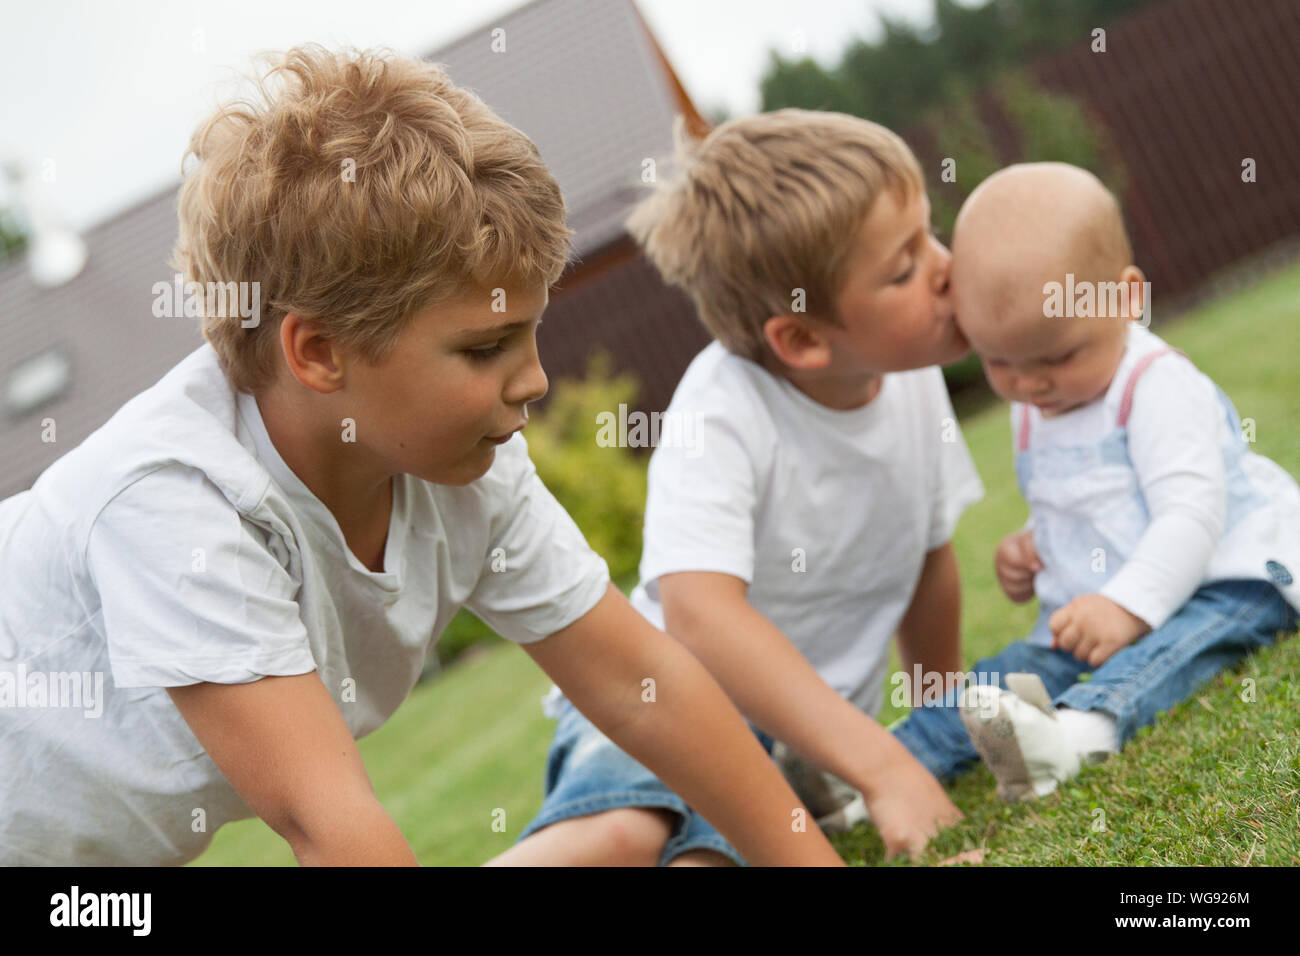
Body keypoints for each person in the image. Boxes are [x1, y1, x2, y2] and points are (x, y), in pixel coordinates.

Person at [0, 45, 844, 867]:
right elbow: (327, 822)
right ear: (320, 352)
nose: (536, 380)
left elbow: (639, 682)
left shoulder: (466, 471)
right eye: (486, 349)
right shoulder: (176, 501)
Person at [493, 109, 983, 867]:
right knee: (625, 834)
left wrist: (938, 724)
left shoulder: (909, 386)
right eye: (904, 266)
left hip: (791, 757)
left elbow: (928, 563)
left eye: (929, 234)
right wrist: (883, 767)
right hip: (663, 713)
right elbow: (700, 616)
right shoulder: (722, 412)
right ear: (804, 339)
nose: (946, 265)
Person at [894, 162, 1300, 801]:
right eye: (1000, 362)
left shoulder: (1154, 385)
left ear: (1125, 298)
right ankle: (890, 764)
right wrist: (1035, 542)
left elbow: (1190, 514)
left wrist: (1128, 605)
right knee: (1010, 673)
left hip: (1227, 580)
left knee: (1176, 646)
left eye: (1056, 358)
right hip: (1103, 606)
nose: (1029, 385)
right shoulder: (1040, 405)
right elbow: (1090, 500)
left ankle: (1078, 733)